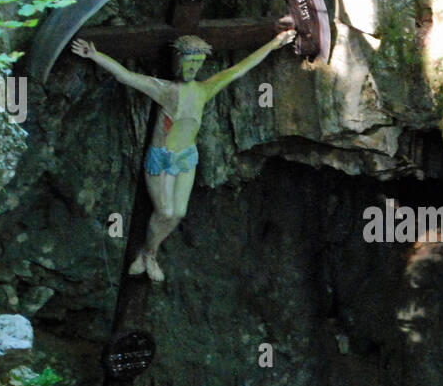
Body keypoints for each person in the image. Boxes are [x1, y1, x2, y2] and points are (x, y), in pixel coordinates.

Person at [71, 28, 295, 281]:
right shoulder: (166, 90)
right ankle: (146, 252)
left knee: (178, 213)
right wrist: (94, 55)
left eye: (198, 64)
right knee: (165, 212)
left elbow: (240, 69)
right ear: (179, 62)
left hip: (186, 157)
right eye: (189, 62)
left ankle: (150, 253)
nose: (193, 69)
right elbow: (127, 76)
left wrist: (274, 42)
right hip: (163, 158)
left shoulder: (205, 89)